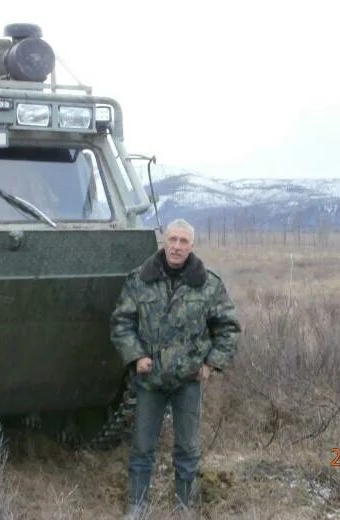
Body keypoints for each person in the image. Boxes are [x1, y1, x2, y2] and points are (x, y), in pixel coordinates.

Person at [110, 218, 241, 516]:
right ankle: (138, 506)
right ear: (164, 241)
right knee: (142, 448)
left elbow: (229, 328)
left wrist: (210, 364)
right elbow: (121, 321)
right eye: (172, 240)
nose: (177, 247)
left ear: (191, 246)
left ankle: (184, 507)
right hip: (150, 379)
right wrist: (136, 356)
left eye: (183, 241)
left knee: (187, 449)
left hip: (187, 381)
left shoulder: (208, 284)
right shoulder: (140, 279)